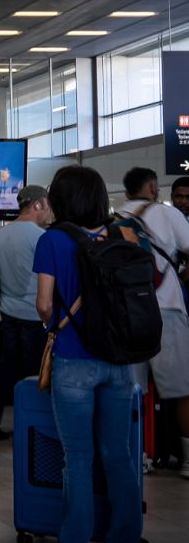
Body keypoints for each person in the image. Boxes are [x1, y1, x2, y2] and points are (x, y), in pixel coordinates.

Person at [33, 165, 143, 543]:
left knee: (76, 460)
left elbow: (44, 304)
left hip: (74, 361)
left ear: (61, 198)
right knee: (119, 458)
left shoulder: (54, 240)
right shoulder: (123, 235)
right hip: (120, 363)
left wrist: (55, 326)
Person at [121, 167, 189, 477]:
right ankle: (187, 460)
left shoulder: (114, 219)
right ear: (152, 187)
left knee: (132, 390)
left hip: (127, 314)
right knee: (181, 389)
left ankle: (138, 457)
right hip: (168, 309)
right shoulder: (166, 214)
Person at [0, 185, 53, 441]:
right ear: (37, 205)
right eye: (47, 205)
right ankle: (36, 428)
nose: (48, 212)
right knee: (37, 372)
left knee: (6, 367)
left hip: (8, 313)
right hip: (35, 314)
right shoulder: (40, 236)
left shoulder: (2, 234)